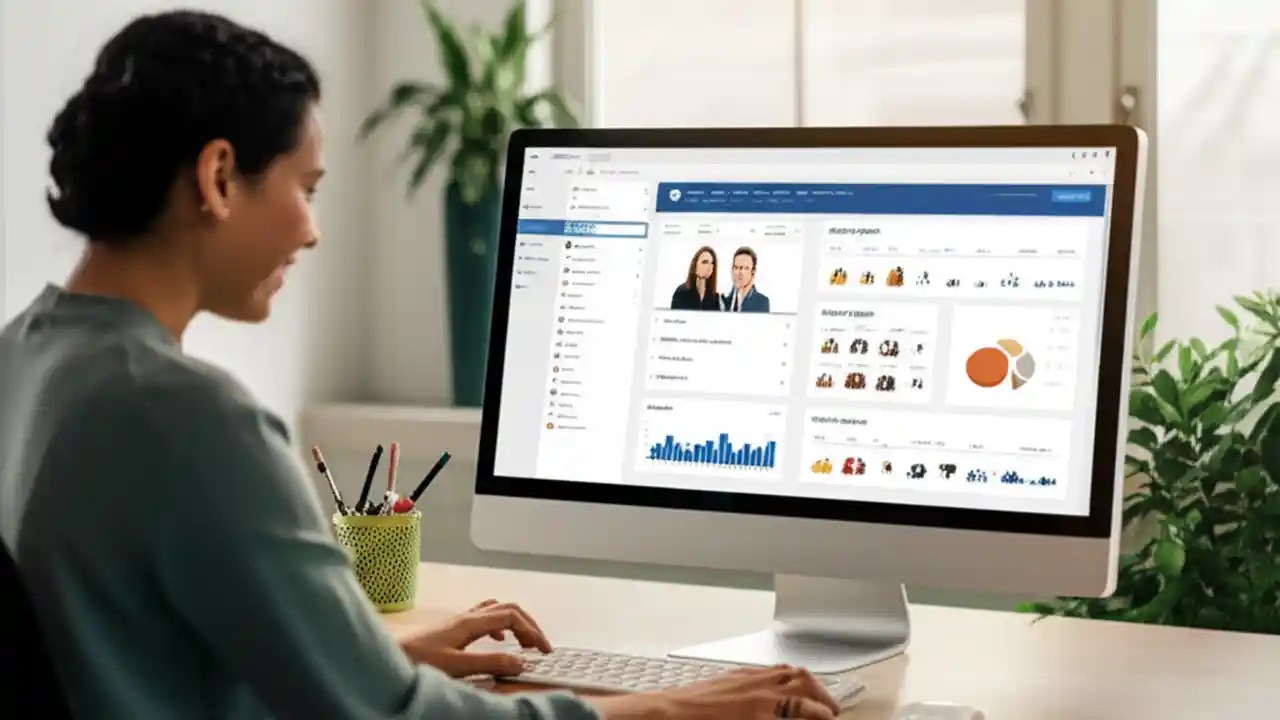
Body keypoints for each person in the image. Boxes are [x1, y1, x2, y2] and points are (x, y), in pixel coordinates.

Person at [0, 11, 838, 720]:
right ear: (219, 177)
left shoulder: (25, 356)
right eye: (308, 186)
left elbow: (147, 650)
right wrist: (678, 705)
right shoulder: (187, 416)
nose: (312, 230)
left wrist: (371, 658)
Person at [669, 246, 721, 311]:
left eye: (712, 263)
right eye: (704, 262)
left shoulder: (714, 297)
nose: (709, 266)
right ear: (695, 265)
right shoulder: (681, 292)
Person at [722, 247, 771, 313]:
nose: (740, 272)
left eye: (745, 268)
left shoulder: (762, 302)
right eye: (736, 267)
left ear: (753, 272)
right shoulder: (724, 302)